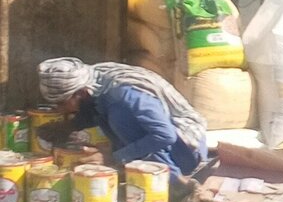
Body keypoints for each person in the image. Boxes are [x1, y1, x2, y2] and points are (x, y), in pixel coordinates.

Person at [37, 58, 207, 184]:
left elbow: (165, 135)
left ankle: (174, 182)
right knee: (112, 115)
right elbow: (91, 108)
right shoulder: (92, 81)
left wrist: (114, 157)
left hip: (186, 146)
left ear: (80, 93)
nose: (59, 109)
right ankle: (136, 166)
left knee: (119, 116)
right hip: (165, 139)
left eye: (62, 103)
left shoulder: (124, 97)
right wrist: (68, 127)